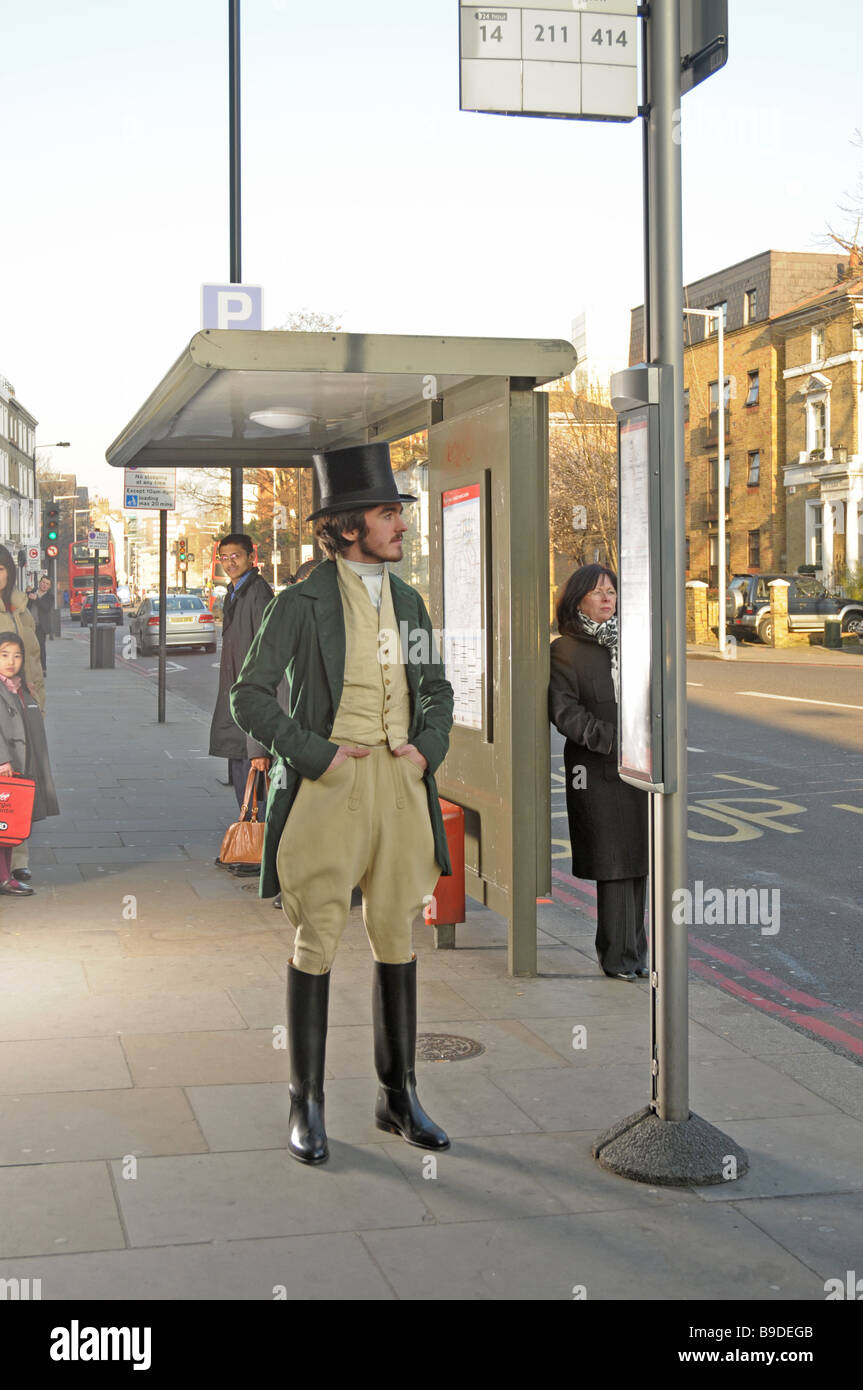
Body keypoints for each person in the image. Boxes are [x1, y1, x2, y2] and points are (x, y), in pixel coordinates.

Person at [231, 442, 454, 1165]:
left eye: (399, 512)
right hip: (331, 783)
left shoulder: (411, 601)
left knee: (397, 933)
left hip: (399, 784)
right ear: (349, 525)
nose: (401, 526)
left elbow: (437, 690)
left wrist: (426, 744)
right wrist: (314, 753)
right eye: (390, 513)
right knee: (316, 938)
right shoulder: (301, 603)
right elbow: (249, 696)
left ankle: (398, 1096)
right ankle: (308, 1103)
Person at [549, 563, 649, 982]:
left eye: (612, 591)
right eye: (598, 592)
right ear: (577, 601)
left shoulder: (630, 641)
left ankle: (636, 954)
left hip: (639, 765)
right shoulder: (566, 649)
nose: (608, 598)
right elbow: (563, 710)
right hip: (596, 769)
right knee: (615, 864)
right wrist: (609, 740)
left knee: (640, 862)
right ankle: (618, 957)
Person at [208, 534, 279, 829]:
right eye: (224, 558)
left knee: (252, 771)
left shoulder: (257, 594)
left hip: (250, 699)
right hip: (237, 697)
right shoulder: (236, 592)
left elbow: (266, 652)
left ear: (251, 557)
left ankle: (257, 847)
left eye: (235, 556)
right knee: (240, 767)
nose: (229, 562)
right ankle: (251, 840)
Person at [0, 545, 46, 886]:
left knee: (21, 785)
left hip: (24, 702)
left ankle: (18, 860)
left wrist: (37, 700)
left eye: (2, 569)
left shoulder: (20, 607)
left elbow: (33, 655)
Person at [0, 632, 59, 895]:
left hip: (19, 764)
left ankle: (6, 874)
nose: (11, 661)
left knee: (8, 825)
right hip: (5, 765)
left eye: (17, 655)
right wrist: (2, 760)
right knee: (2, 826)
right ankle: (4, 879)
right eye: (4, 655)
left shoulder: (16, 685)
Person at [26, 575, 54, 676]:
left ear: (49, 586)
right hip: (29, 626)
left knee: (41, 647)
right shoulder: (32, 592)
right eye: (43, 582)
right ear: (39, 582)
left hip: (41, 627)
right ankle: (30, 669)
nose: (44, 585)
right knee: (29, 648)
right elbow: (25, 605)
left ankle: (43, 669)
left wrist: (36, 599)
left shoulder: (50, 597)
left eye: (47, 584)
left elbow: (46, 608)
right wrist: (28, 594)